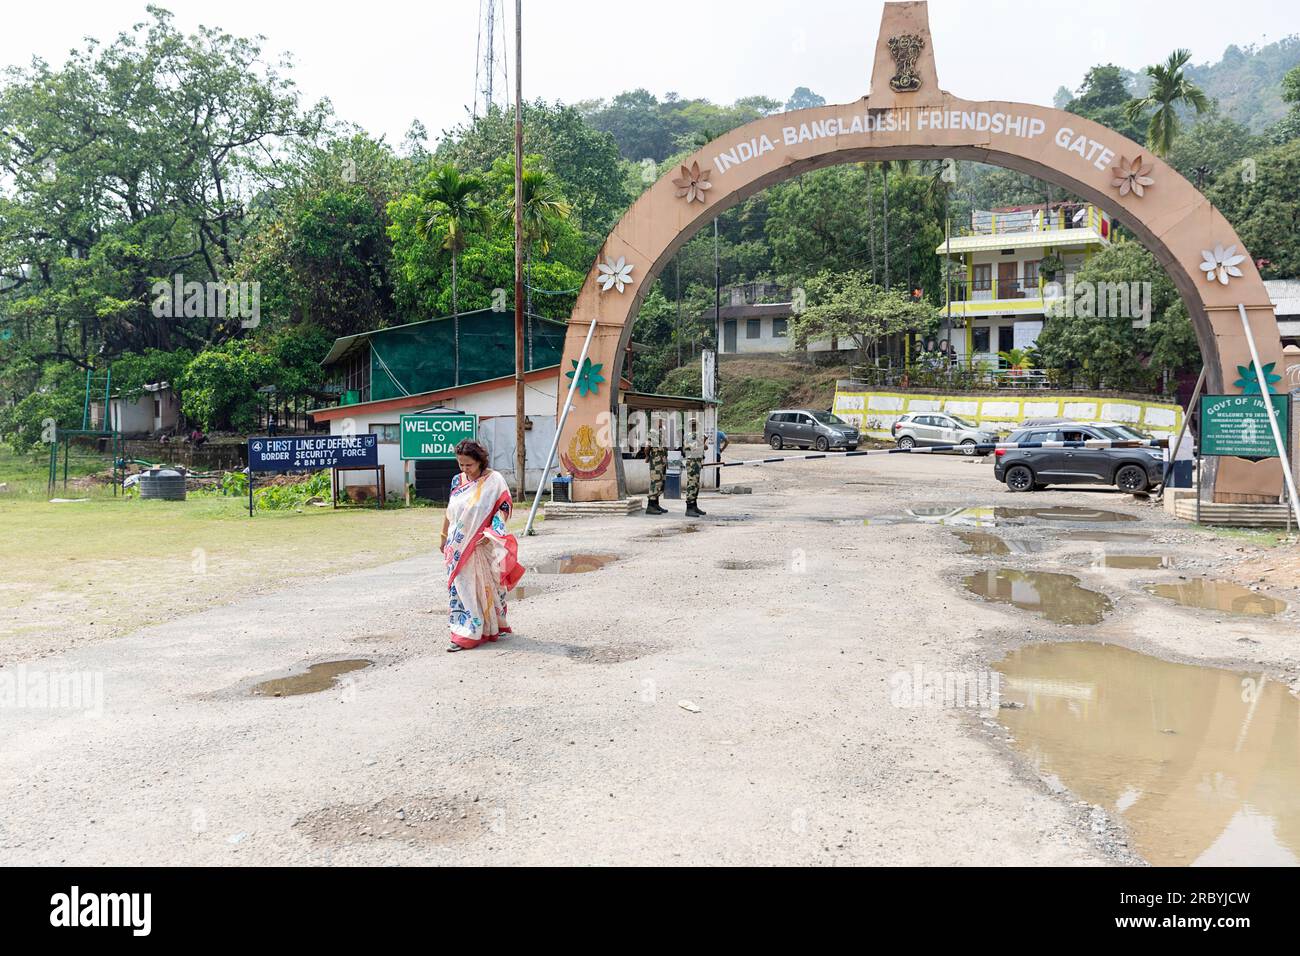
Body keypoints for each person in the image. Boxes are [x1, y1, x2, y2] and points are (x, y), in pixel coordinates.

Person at [440, 439, 525, 652]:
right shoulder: (457, 481)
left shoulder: (494, 480)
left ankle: (485, 627)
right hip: (458, 545)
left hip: (482, 542)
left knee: (486, 586)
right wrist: (443, 536)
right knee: (461, 586)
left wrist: (491, 533)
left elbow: (503, 507)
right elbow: (450, 510)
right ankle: (464, 630)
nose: (465, 469)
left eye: (469, 464)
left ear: (479, 461)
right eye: (461, 464)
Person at [683, 415, 710, 518]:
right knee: (692, 484)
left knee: (695, 484)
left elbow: (702, 447)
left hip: (696, 461)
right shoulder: (690, 435)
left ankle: (694, 506)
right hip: (692, 461)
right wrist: (703, 444)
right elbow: (698, 447)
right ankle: (689, 508)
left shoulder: (695, 435)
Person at [645, 412, 669, 515]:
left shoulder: (661, 431)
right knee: (655, 481)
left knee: (661, 482)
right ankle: (650, 506)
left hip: (662, 460)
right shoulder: (652, 431)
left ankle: (656, 504)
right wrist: (647, 456)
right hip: (656, 460)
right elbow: (647, 447)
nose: (662, 421)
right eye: (660, 419)